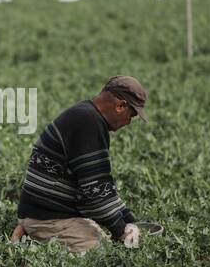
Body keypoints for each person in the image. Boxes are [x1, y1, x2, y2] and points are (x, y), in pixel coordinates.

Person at [13, 75, 147, 253]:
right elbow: (94, 195)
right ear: (120, 106)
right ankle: (33, 235)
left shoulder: (87, 115)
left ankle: (30, 229)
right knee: (103, 254)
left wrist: (129, 220)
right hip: (48, 216)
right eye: (131, 116)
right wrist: (122, 232)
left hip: (49, 210)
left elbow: (101, 186)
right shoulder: (88, 123)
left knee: (109, 231)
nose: (128, 122)